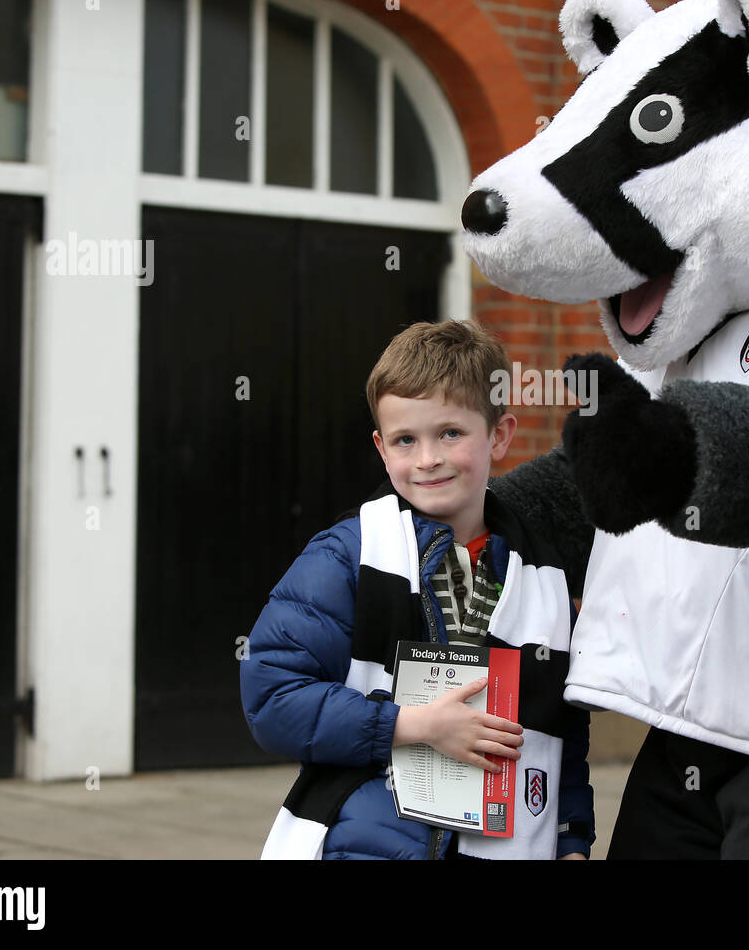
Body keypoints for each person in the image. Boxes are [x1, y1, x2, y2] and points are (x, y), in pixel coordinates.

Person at [240, 319, 594, 860]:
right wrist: (412, 725)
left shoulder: (543, 578)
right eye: (406, 440)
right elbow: (272, 697)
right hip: (367, 843)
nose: (427, 458)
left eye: (450, 433)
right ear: (382, 448)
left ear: (499, 435)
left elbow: (560, 734)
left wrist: (571, 841)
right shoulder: (348, 554)